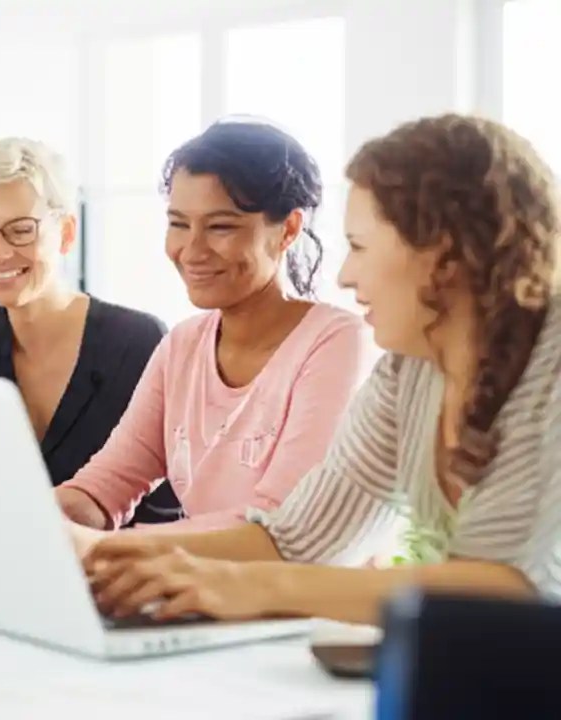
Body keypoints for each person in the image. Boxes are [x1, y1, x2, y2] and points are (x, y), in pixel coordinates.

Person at [82, 113, 561, 625]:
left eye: (358, 247)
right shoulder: (409, 373)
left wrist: (242, 583)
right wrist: (94, 553)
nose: (344, 275)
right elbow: (297, 537)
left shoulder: (548, 368)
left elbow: (509, 588)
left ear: (441, 254)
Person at [56, 119, 370, 533]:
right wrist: (31, 517)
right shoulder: (182, 345)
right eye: (179, 224)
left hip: (300, 595)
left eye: (221, 226)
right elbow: (104, 487)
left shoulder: (336, 342)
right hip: (205, 588)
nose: (192, 250)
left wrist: (109, 548)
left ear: (288, 229)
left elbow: (277, 522)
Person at [0, 137, 168, 520]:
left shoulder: (139, 343)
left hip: (118, 571)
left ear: (66, 233)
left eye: (20, 230)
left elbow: (169, 509)